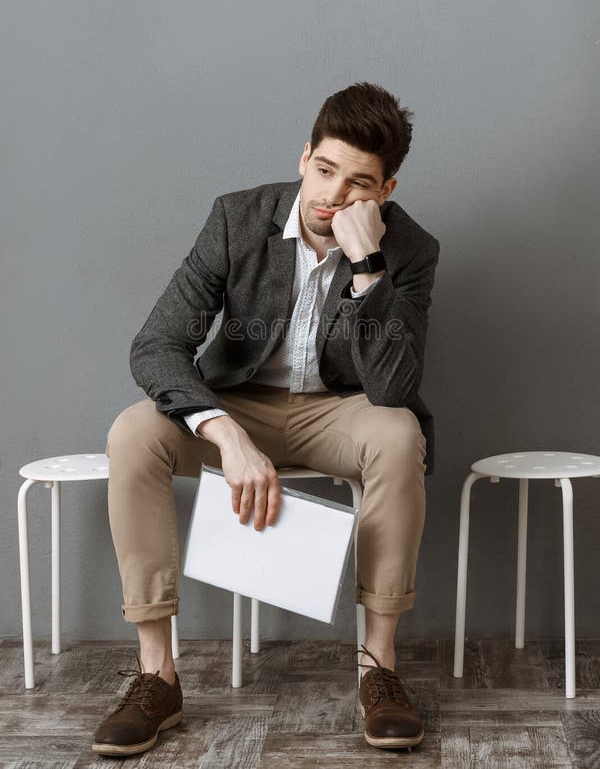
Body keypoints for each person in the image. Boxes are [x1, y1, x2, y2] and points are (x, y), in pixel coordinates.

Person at [92, 81, 441, 756]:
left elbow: (394, 388)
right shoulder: (237, 219)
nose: (333, 195)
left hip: (341, 412)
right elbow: (158, 344)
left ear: (386, 189)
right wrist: (224, 432)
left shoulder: (410, 250)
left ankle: (380, 671)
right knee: (134, 431)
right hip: (239, 406)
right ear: (305, 154)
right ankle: (156, 676)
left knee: (399, 436)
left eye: (358, 184)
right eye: (324, 169)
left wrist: (368, 266)